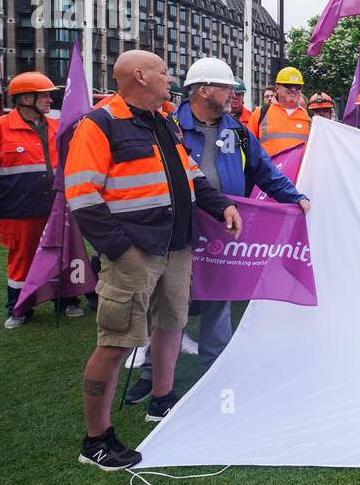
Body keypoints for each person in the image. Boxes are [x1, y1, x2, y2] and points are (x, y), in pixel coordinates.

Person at [65, 50, 241, 470]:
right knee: (116, 341)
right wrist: (120, 250)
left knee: (172, 323)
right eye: (164, 72)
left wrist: (219, 207)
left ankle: (162, 400)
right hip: (135, 252)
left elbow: (190, 174)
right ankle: (97, 439)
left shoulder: (163, 121)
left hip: (176, 247)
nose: (171, 78)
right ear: (140, 76)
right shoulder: (99, 125)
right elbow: (82, 197)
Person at [127, 58, 310, 403]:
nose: (233, 94)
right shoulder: (168, 127)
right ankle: (151, 374)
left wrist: (295, 197)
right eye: (226, 87)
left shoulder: (238, 130)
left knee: (218, 299)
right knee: (168, 302)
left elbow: (265, 171)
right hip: (178, 227)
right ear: (204, 89)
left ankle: (215, 370)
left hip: (225, 227)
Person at [0, 70, 77, 329]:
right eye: (45, 96)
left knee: (62, 255)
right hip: (18, 210)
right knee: (21, 260)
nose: (50, 100)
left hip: (56, 207)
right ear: (27, 99)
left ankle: (67, 301)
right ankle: (19, 308)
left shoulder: (57, 128)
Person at [248, 66, 310, 157]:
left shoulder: (309, 118)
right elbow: (248, 147)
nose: (293, 90)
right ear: (277, 88)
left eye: (298, 87)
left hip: (299, 171)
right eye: (288, 86)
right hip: (268, 171)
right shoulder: (260, 113)